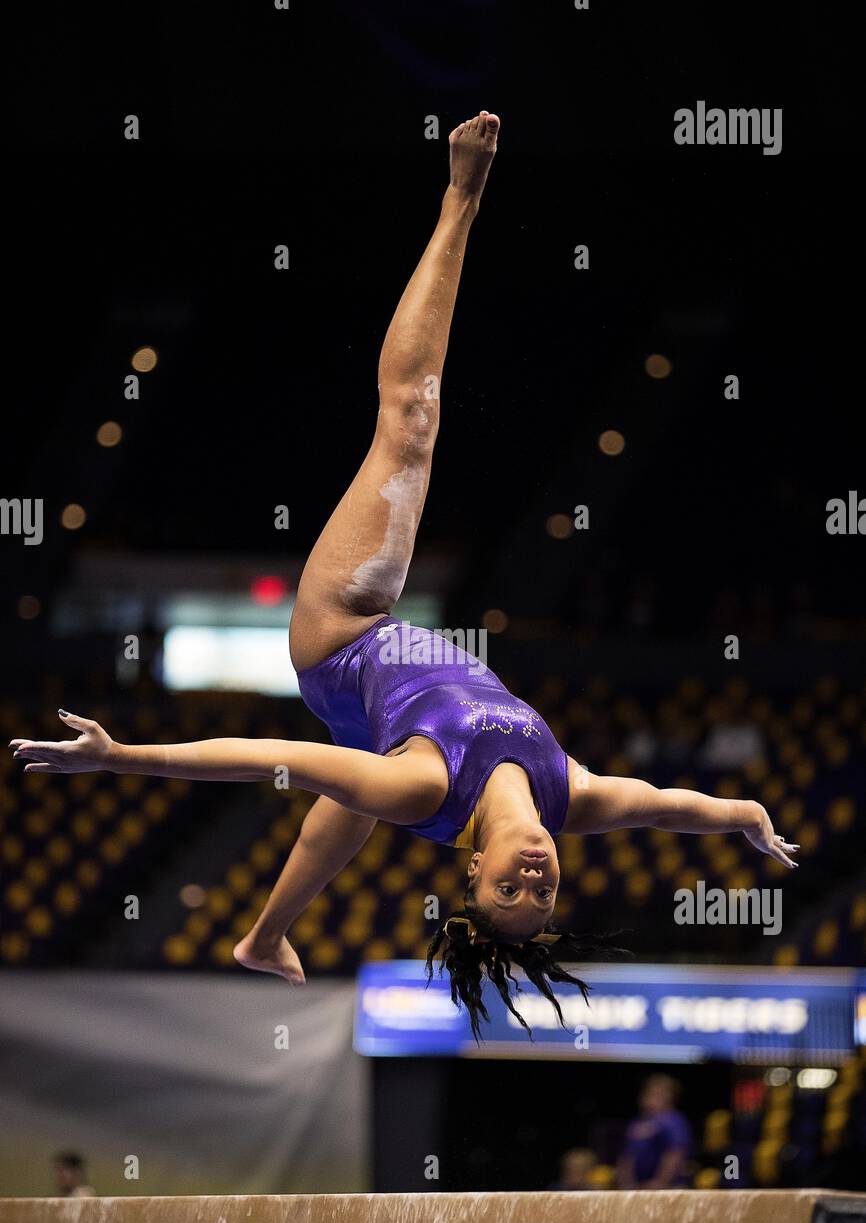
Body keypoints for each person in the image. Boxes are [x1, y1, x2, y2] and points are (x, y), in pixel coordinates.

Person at [10, 112, 800, 1040]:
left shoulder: (425, 790)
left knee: (410, 424)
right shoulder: (571, 799)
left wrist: (120, 758)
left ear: (472, 874)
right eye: (542, 892)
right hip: (372, 707)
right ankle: (266, 936)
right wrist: (747, 816)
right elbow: (676, 810)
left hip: (344, 632)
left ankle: (459, 198)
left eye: (509, 888)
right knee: (352, 801)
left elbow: (275, 760)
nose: (535, 878)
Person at [617, 1075, 693, 1190]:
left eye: (659, 1094)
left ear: (670, 1097)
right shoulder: (637, 1123)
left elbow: (675, 1153)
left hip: (666, 1187)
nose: (651, 1098)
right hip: (637, 1186)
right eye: (650, 1093)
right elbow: (627, 1156)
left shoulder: (673, 1121)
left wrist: (661, 1181)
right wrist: (626, 1183)